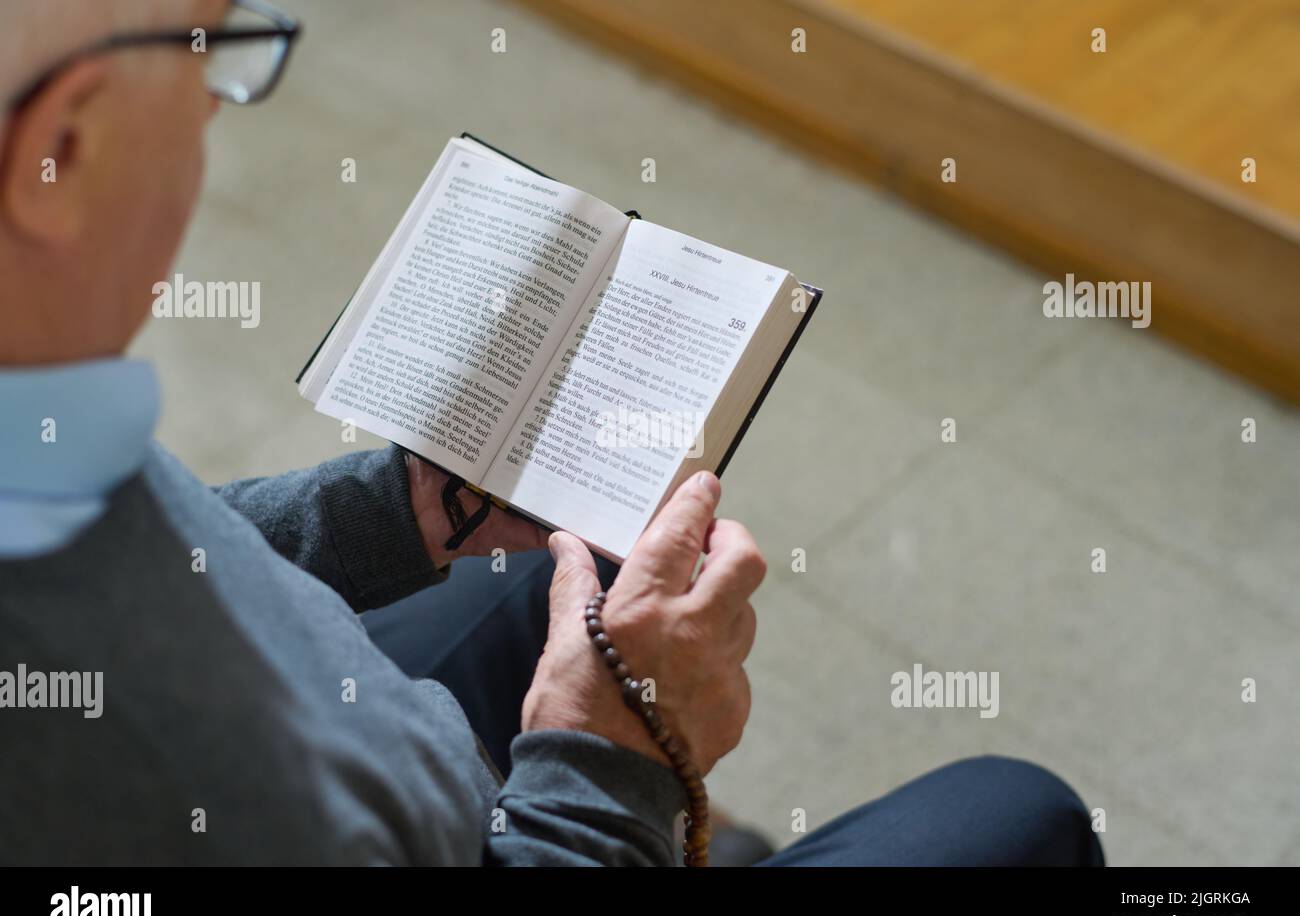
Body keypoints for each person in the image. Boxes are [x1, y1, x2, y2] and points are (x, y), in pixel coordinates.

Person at [0, 0, 1103, 867]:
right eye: (209, 50)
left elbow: (177, 544)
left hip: (379, 767)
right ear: (61, 148)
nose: (214, 106)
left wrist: (388, 514)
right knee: (1018, 811)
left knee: (555, 572)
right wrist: (619, 761)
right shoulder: (164, 755)